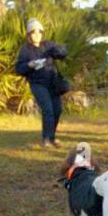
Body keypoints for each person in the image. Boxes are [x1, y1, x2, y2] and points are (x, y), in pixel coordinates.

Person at [14, 18, 68, 148]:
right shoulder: (25, 50)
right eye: (33, 32)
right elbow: (19, 69)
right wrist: (29, 65)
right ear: (29, 34)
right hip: (38, 84)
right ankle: (46, 139)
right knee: (48, 110)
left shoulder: (47, 45)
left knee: (57, 110)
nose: (36, 35)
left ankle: (52, 137)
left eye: (39, 32)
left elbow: (63, 52)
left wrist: (58, 52)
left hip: (53, 82)